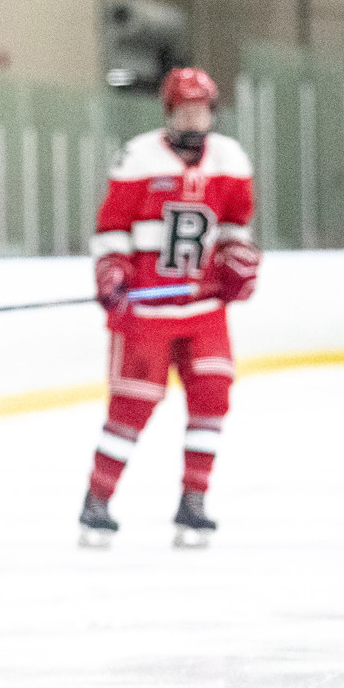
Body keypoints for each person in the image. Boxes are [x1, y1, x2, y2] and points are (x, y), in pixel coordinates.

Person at [78, 67, 260, 549]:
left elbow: (234, 228)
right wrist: (112, 270)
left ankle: (193, 501)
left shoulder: (231, 159)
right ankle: (97, 500)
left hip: (202, 309)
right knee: (132, 408)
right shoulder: (138, 157)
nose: (193, 117)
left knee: (213, 397)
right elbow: (111, 227)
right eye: (184, 108)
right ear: (169, 111)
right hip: (145, 313)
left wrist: (237, 260)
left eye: (200, 108)